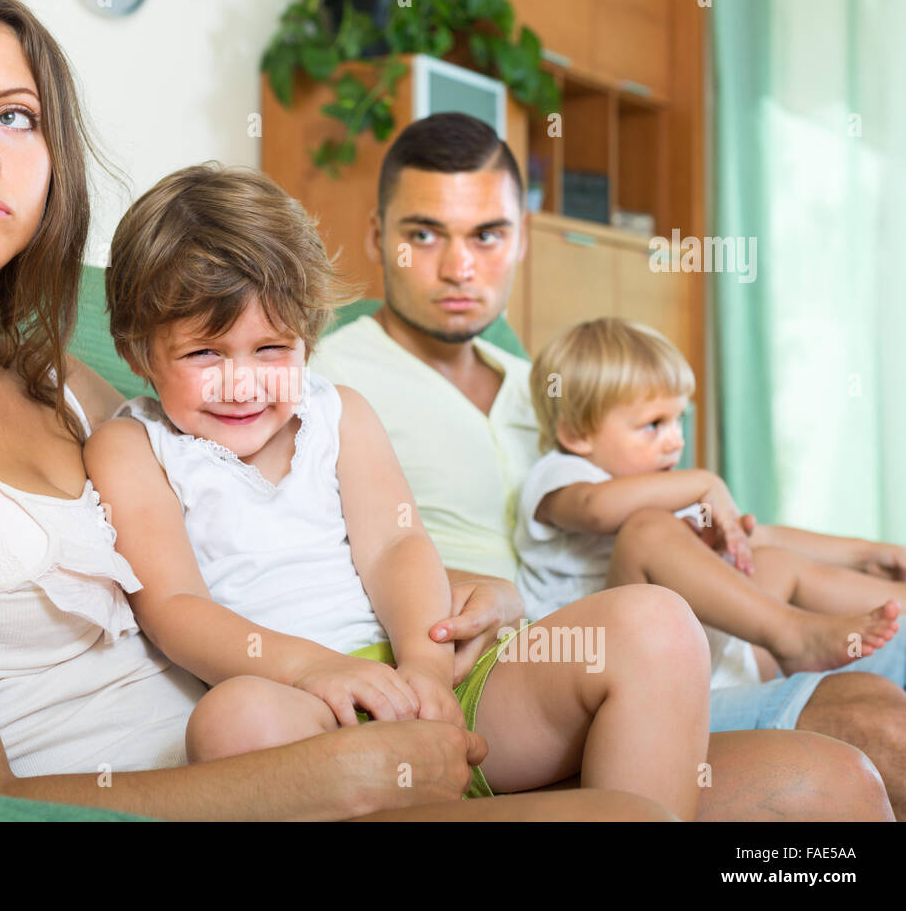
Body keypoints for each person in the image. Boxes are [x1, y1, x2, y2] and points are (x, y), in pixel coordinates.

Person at [0, 0, 707, 822]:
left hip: (325, 729)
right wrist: (317, 776)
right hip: (257, 780)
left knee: (816, 782)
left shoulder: (62, 385)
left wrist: (462, 590)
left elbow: (235, 496)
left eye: (17, 115)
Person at [306, 110, 906, 817]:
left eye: (487, 235)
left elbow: (644, 510)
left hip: (629, 645)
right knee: (878, 726)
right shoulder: (326, 384)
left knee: (861, 692)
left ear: (521, 238)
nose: (459, 267)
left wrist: (865, 551)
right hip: (500, 679)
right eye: (424, 234)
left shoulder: (541, 383)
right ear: (380, 238)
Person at [87, 162, 714, 819]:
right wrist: (313, 671)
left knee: (657, 622)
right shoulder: (134, 448)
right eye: (205, 355)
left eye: (271, 349)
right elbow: (176, 606)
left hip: (444, 690)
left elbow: (394, 546)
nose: (243, 385)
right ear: (137, 352)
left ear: (308, 336)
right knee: (230, 722)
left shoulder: (340, 414)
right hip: (305, 717)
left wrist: (423, 664)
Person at [516, 316, 901, 678]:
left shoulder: (656, 485)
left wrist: (869, 553)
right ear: (577, 434)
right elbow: (595, 510)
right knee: (646, 530)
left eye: (678, 419)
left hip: (714, 655)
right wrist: (703, 481)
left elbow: (759, 535)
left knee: (772, 561)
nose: (676, 440)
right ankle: (793, 635)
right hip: (617, 663)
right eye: (654, 425)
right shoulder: (561, 475)